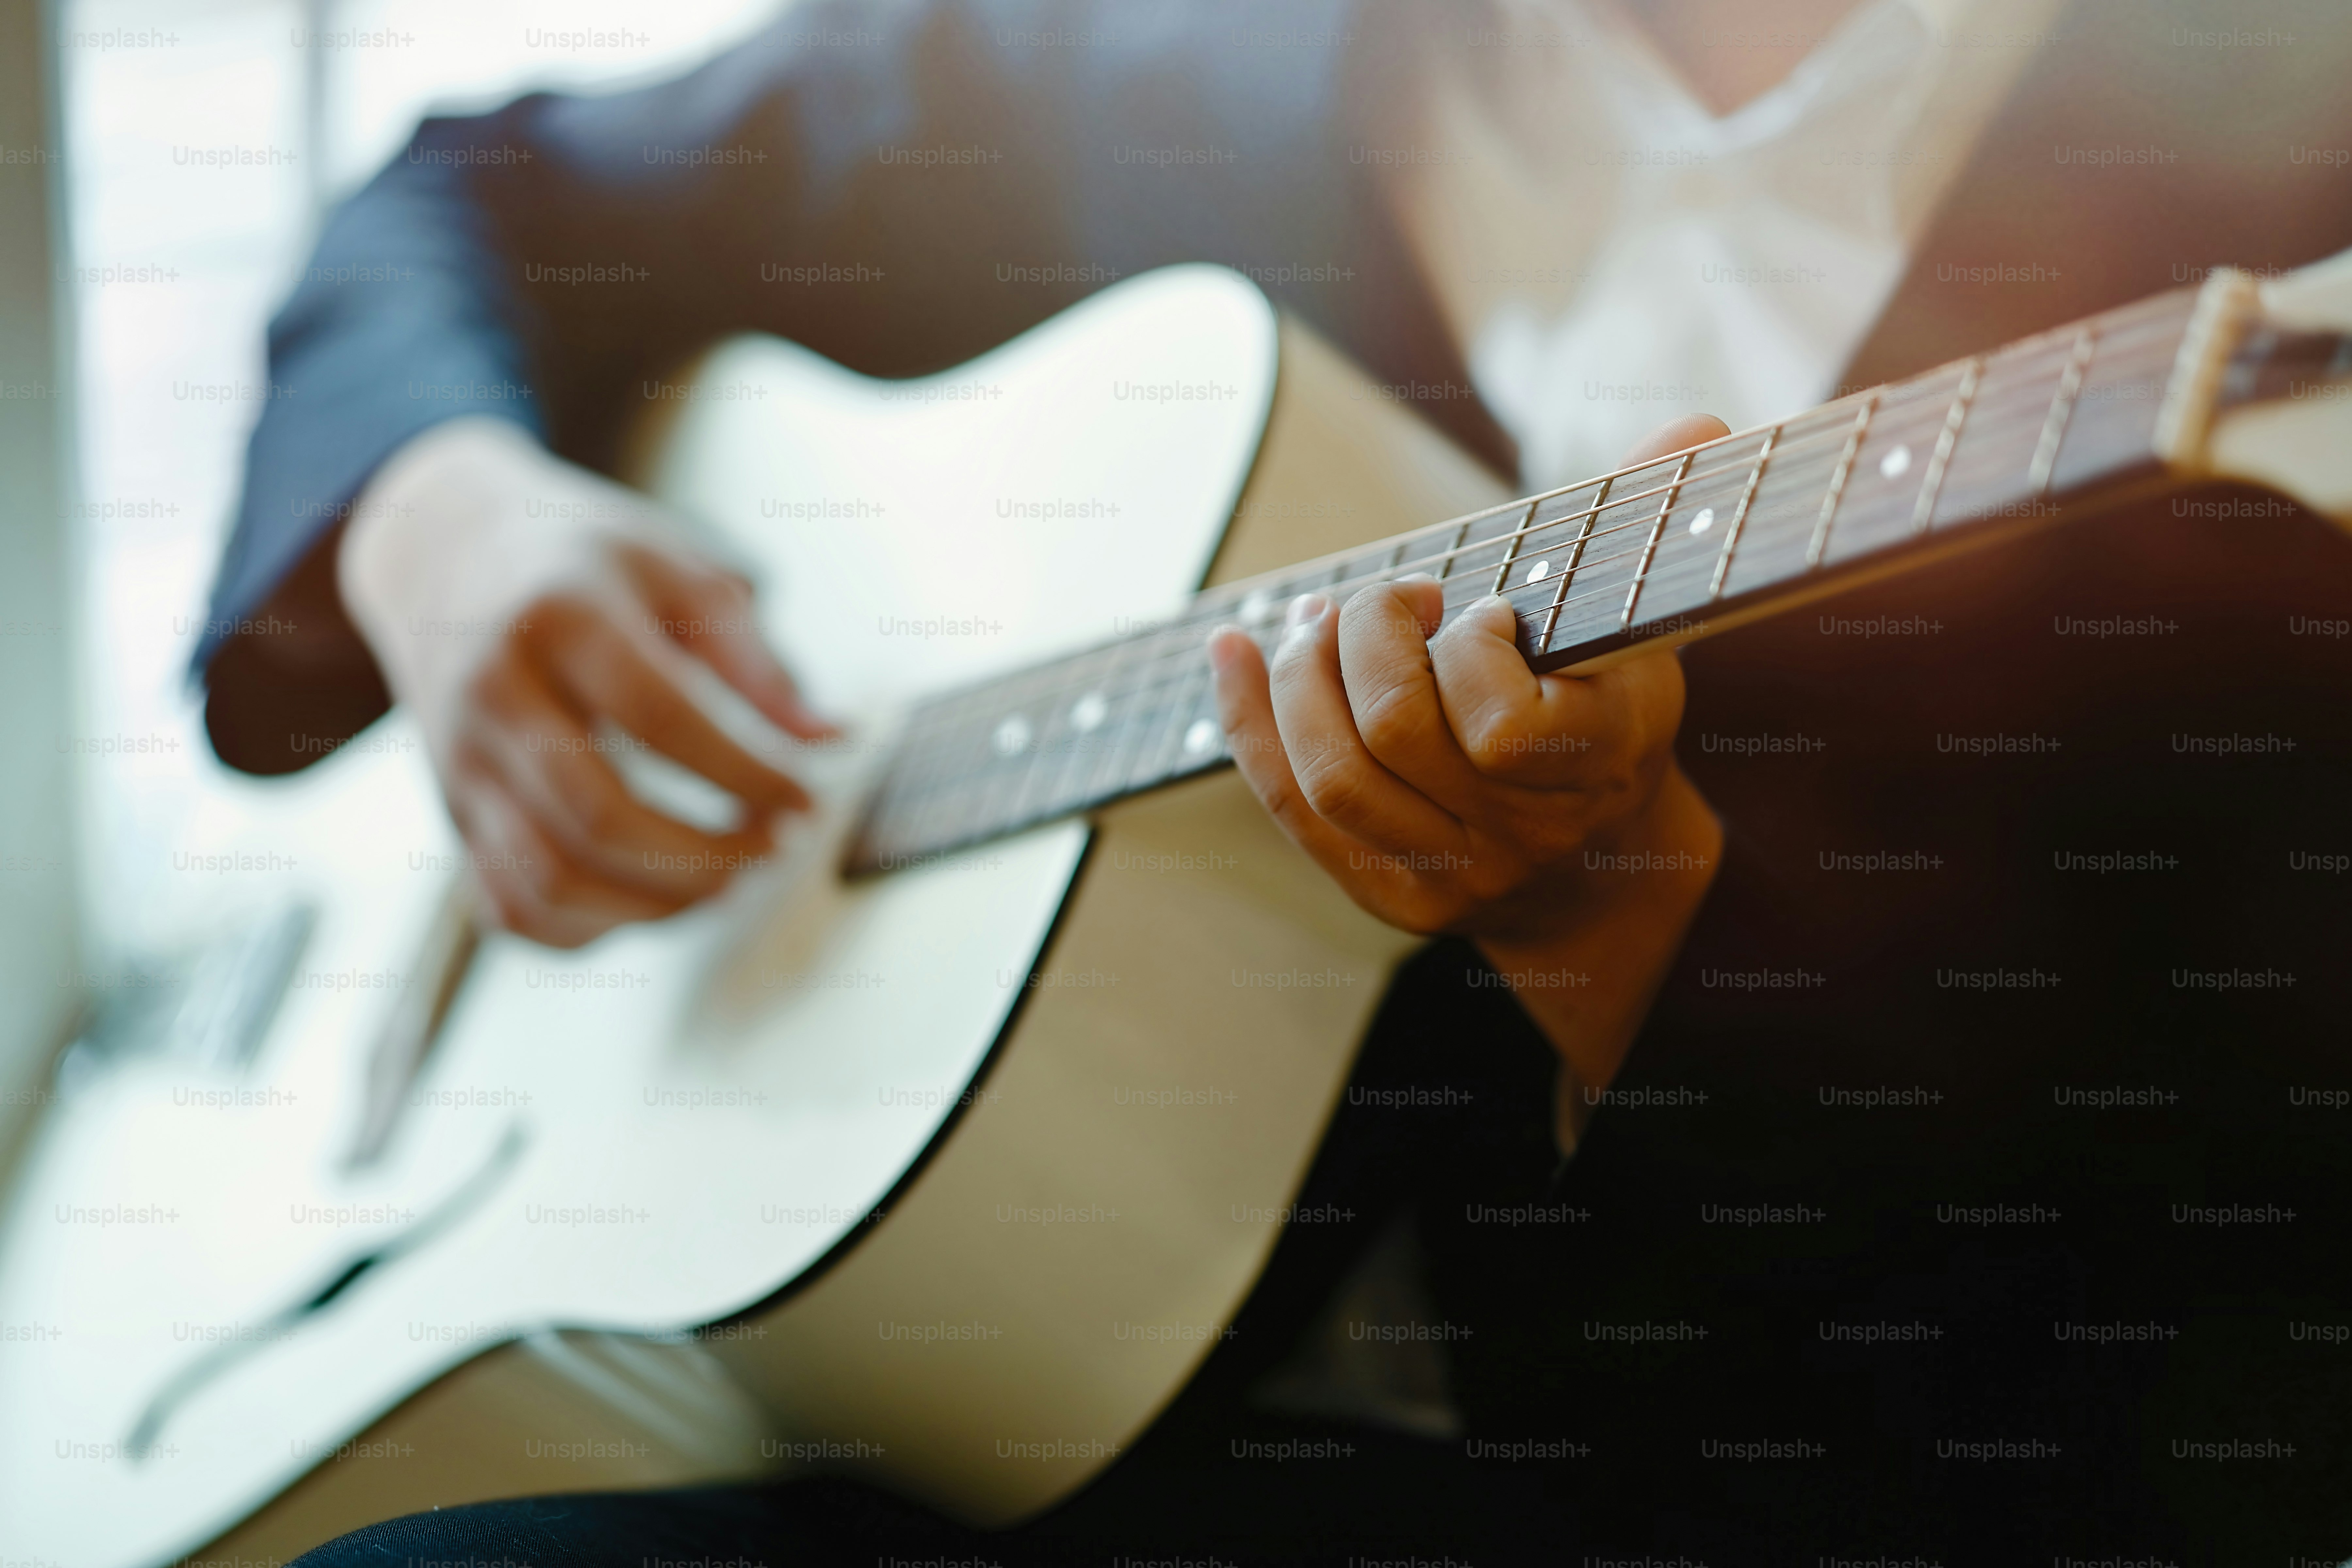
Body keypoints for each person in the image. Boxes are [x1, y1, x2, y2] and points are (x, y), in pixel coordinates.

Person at [195, 0, 2352, 1560]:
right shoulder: (1141, 57)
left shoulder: (2272, 138)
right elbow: (464, 200)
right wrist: (442, 521)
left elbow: (2227, 1258)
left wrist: (1619, 935)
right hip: (973, 1433)